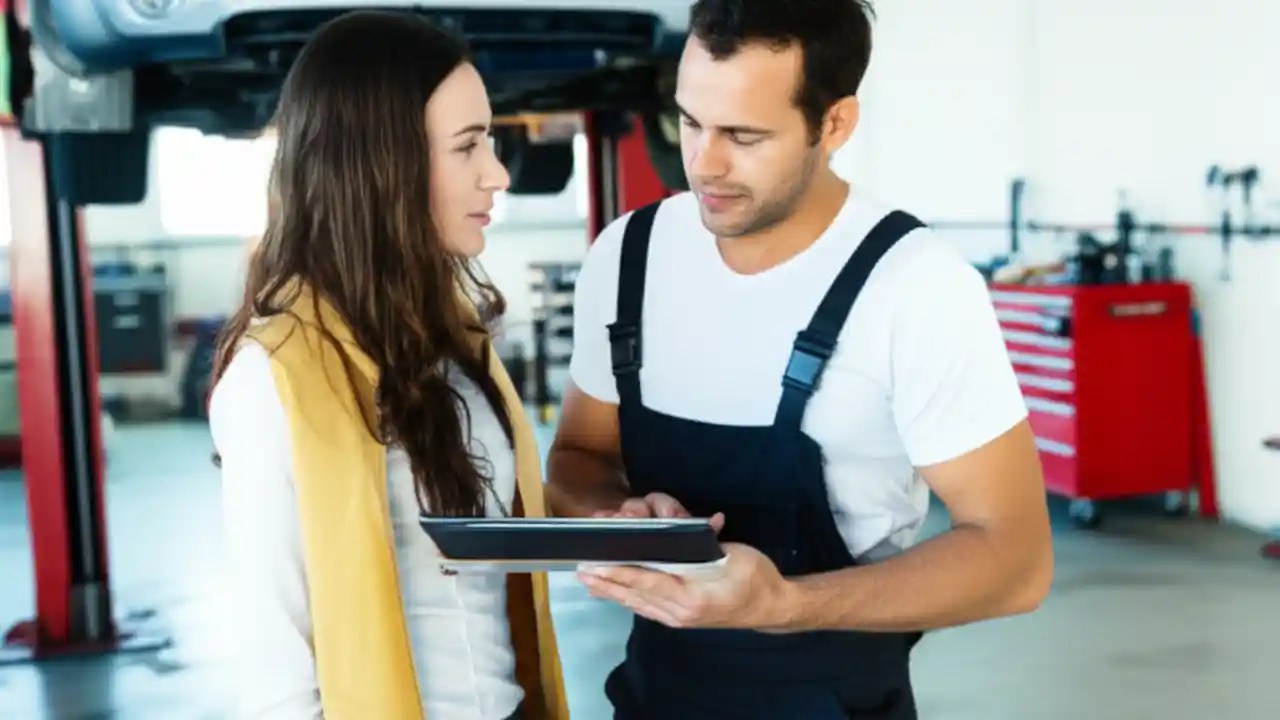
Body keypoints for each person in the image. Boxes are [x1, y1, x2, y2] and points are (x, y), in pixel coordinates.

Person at [546, 1, 1054, 718]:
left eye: (744, 135)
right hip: (653, 693)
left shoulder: (916, 285)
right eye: (689, 122)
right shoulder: (627, 256)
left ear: (835, 124)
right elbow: (577, 458)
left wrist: (784, 604)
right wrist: (619, 516)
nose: (704, 164)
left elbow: (1015, 561)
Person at [208, 11, 568, 720]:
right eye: (467, 147)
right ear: (380, 165)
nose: (497, 174)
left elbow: (480, 541)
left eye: (490, 143)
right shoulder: (272, 379)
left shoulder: (458, 346)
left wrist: (626, 528)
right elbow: (277, 671)